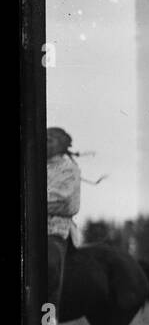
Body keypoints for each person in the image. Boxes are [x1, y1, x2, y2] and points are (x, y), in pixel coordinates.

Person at [46, 127, 81, 315]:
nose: (45, 142)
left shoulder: (69, 169)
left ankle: (48, 320)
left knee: (48, 264)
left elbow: (63, 199)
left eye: (50, 139)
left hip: (55, 231)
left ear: (62, 145)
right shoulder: (34, 164)